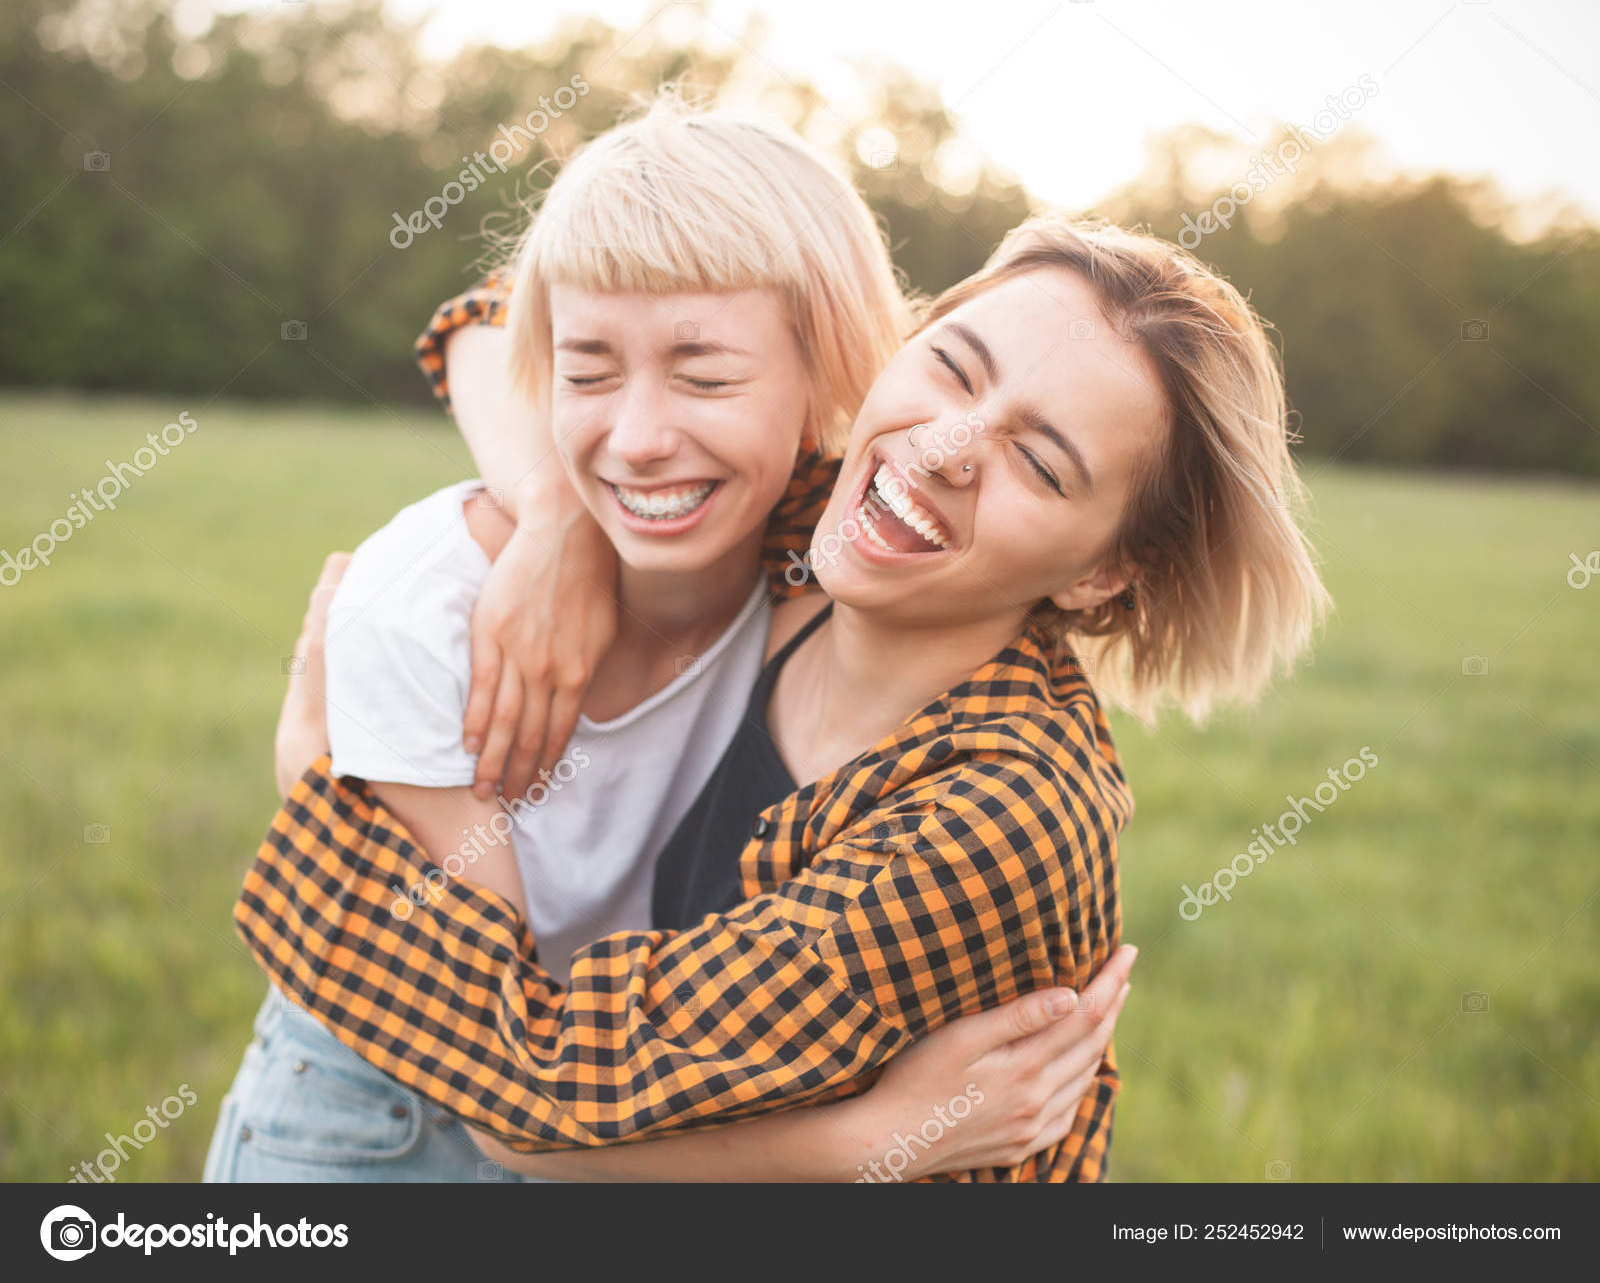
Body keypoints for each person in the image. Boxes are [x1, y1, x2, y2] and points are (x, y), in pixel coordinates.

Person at [238, 213, 1330, 1181]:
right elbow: (503, 316)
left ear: (1102, 570)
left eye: (1039, 463)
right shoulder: (806, 521)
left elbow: (537, 1105)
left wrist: (317, 780)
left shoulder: (998, 818)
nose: (944, 448)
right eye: (951, 367)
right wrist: (554, 517)